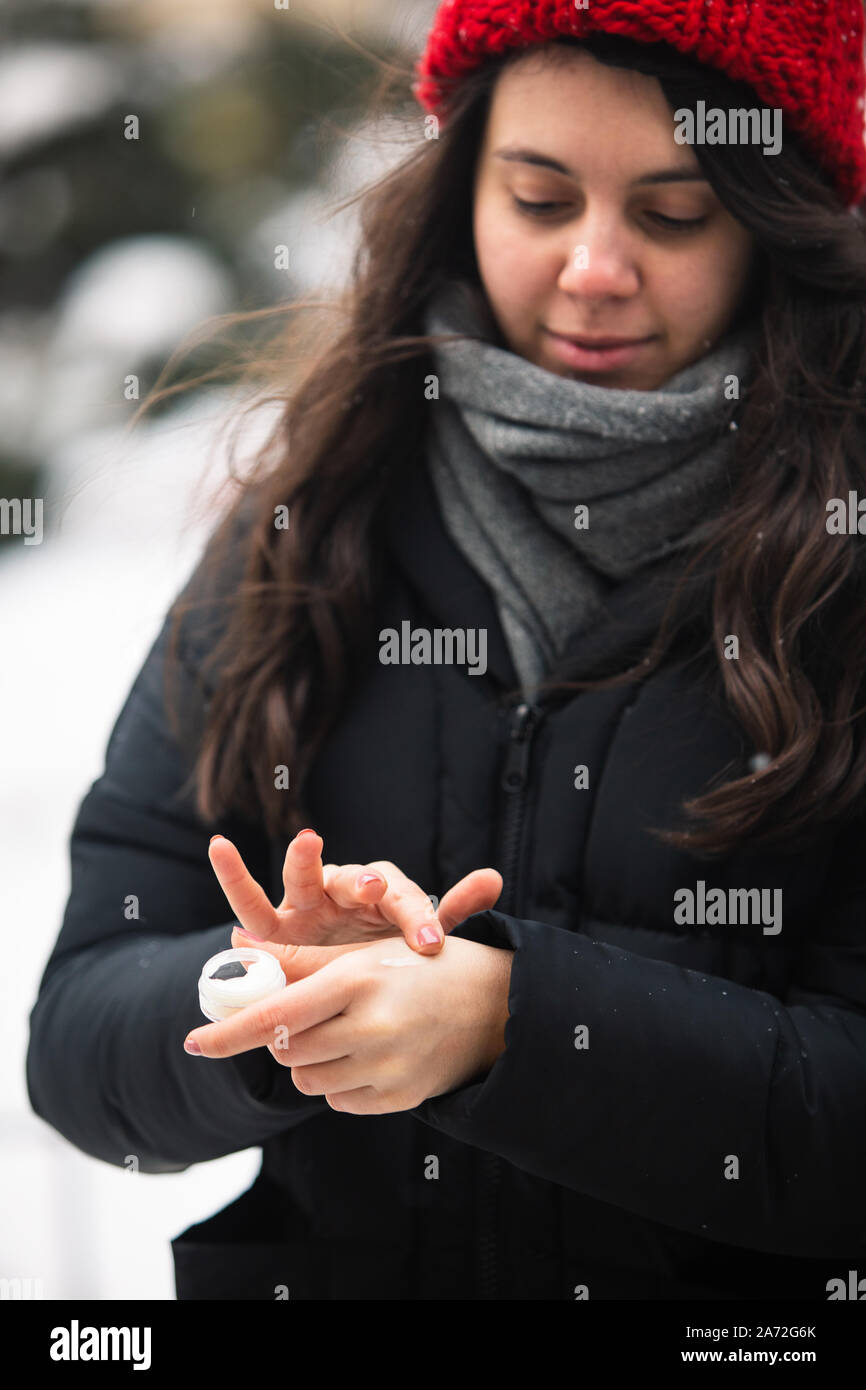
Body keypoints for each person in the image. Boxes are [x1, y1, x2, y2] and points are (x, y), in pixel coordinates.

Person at [26, 0, 866, 1301]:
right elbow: (79, 1041)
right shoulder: (310, 519)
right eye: (539, 199)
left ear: (776, 216)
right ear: (459, 189)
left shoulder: (841, 562)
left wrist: (508, 1023)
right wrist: (274, 997)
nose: (593, 265)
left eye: (671, 213)